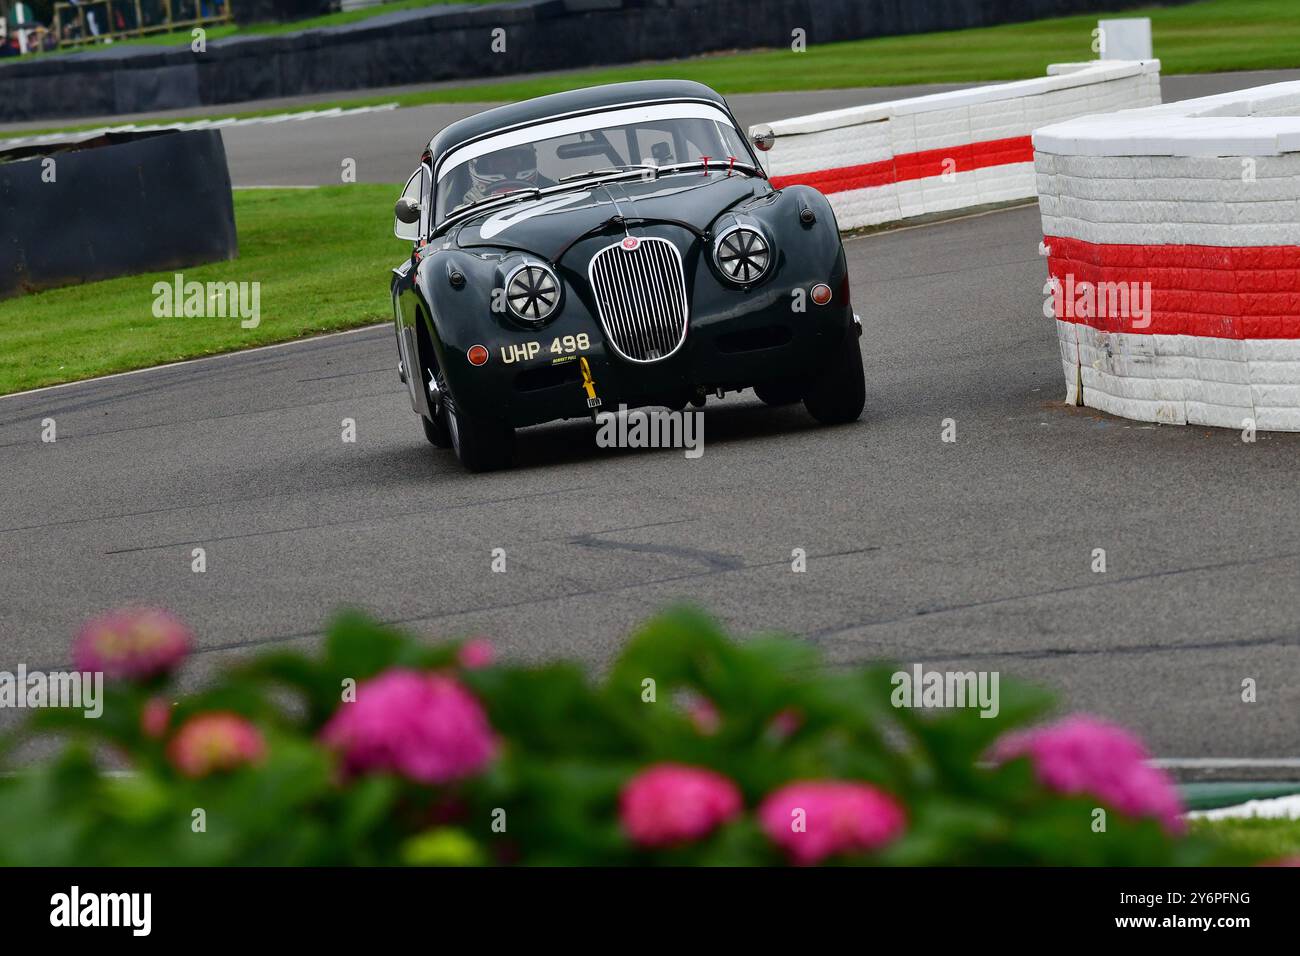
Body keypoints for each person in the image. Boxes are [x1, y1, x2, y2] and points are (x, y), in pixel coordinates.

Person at [462, 143, 552, 207]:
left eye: (513, 160)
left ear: (526, 159)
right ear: (481, 165)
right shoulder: (468, 201)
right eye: (498, 162)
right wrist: (476, 206)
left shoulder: (549, 190)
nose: (507, 166)